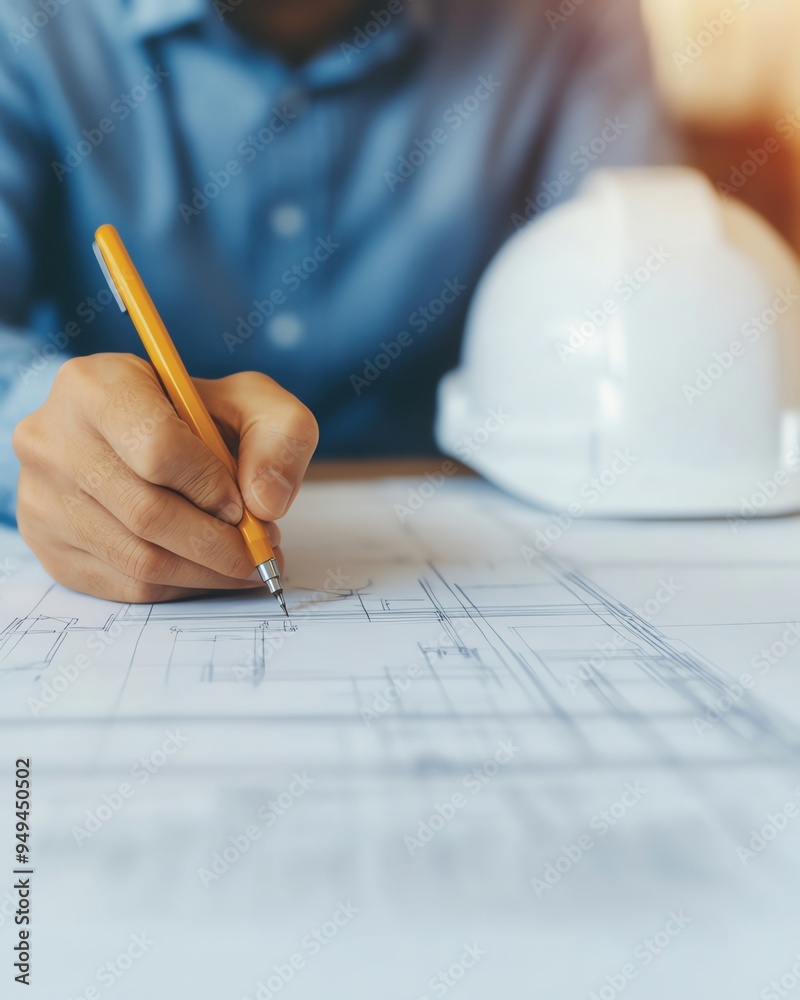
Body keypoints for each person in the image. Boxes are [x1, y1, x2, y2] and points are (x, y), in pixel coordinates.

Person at [0, 0, 677, 601]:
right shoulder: (25, 23)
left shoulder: (574, 20)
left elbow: (652, 329)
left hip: (468, 498)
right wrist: (37, 435)